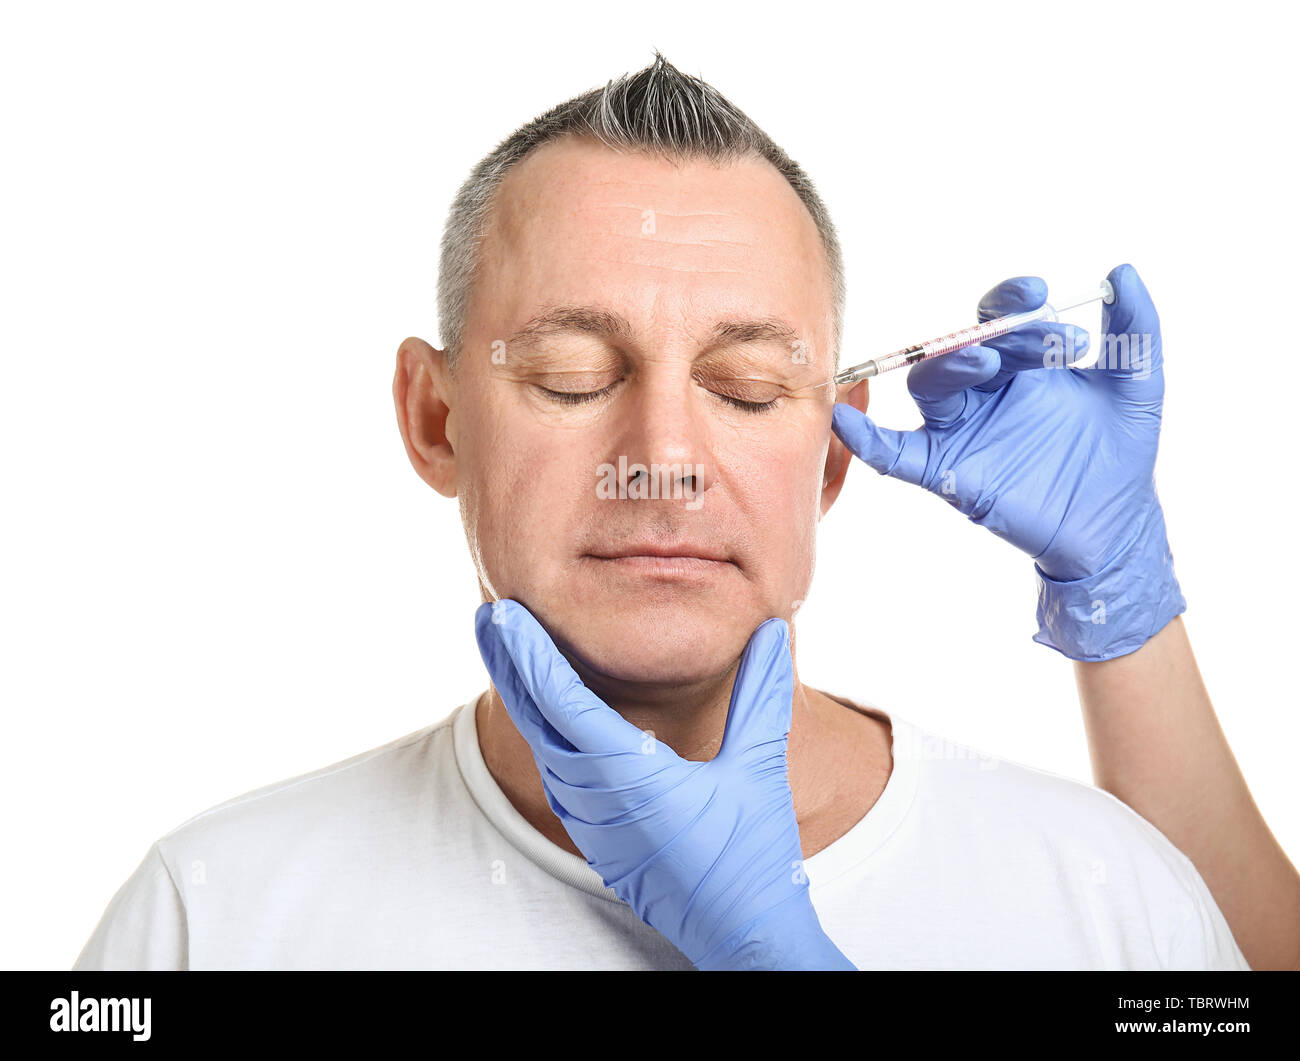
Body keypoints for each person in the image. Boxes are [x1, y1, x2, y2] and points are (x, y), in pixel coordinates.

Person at [73, 52, 1297, 972]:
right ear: (435, 419)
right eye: (571, 377)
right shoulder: (210, 917)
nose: (661, 457)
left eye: (748, 387)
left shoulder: (1105, 901)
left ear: (832, 456)